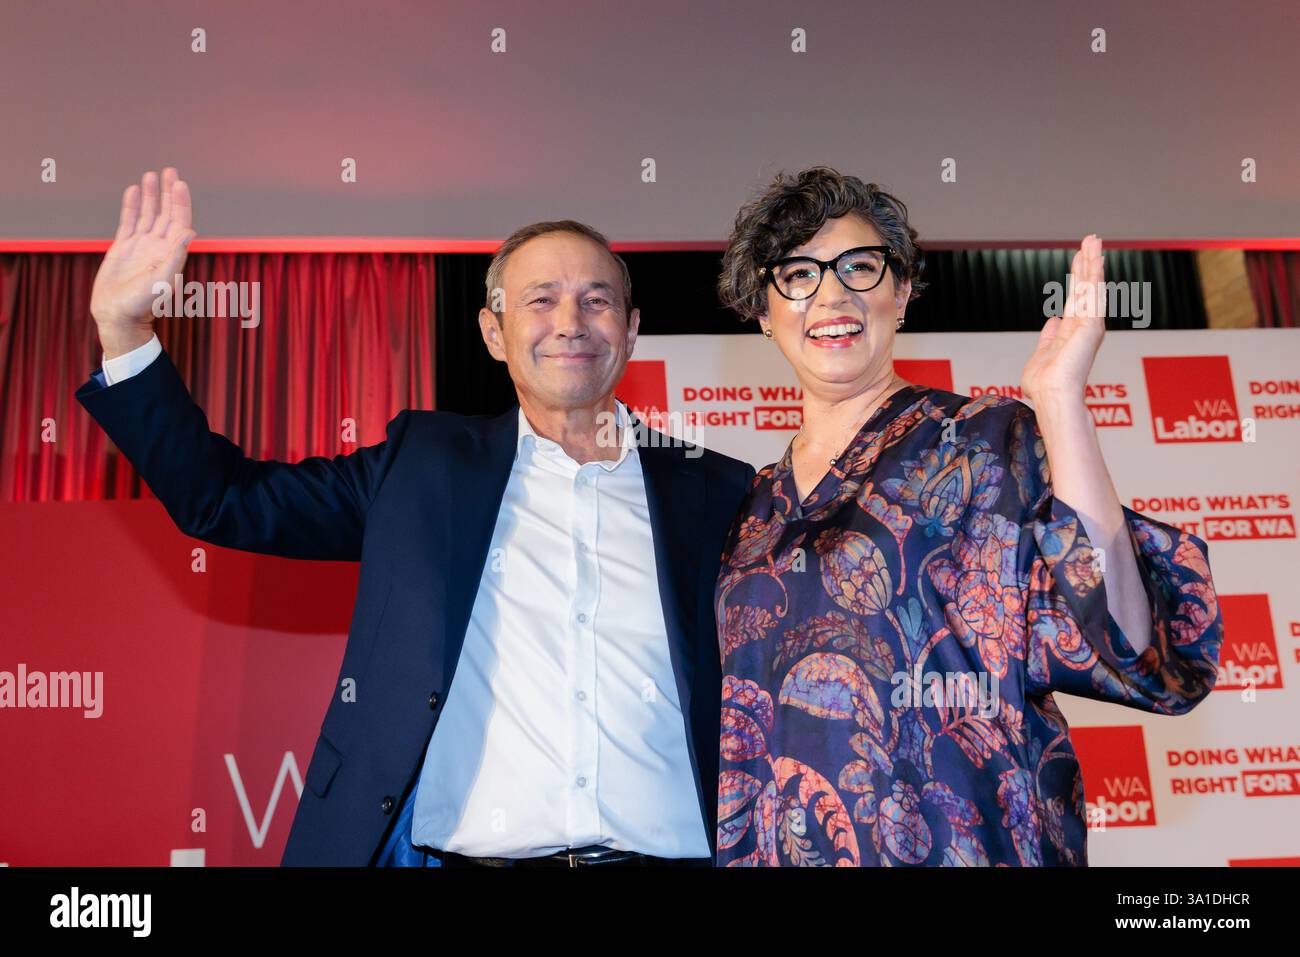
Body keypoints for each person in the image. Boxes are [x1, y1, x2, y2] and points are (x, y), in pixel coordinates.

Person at [77, 168, 755, 866]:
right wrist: (125, 331)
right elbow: (226, 500)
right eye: (540, 300)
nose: (570, 323)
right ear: (493, 332)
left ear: (632, 327)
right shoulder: (422, 467)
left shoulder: (721, 490)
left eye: (596, 300)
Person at [711, 167, 1223, 866]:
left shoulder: (982, 446)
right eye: (798, 273)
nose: (832, 293)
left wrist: (1060, 400)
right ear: (764, 313)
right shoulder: (749, 511)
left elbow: (1129, 640)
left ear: (900, 292)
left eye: (860, 267)